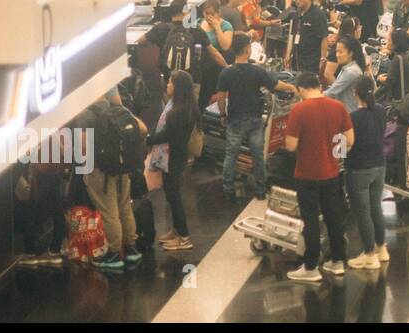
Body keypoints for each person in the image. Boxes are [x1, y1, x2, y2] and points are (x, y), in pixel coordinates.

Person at [283, 73, 353, 283]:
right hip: (331, 173)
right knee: (334, 218)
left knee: (311, 220)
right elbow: (349, 140)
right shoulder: (338, 107)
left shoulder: (299, 110)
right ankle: (338, 261)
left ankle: (311, 266)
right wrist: (334, 155)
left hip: (307, 174)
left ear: (301, 88)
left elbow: (291, 145)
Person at [217, 35, 297, 202]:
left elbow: (221, 97)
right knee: (258, 154)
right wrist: (291, 86)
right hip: (254, 119)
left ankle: (228, 189)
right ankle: (260, 189)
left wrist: (223, 115)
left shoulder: (227, 72)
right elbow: (275, 85)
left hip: (235, 119)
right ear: (247, 49)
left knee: (231, 154)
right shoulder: (258, 71)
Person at [144, 70, 199, 253]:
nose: (167, 85)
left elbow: (168, 135)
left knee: (173, 197)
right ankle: (175, 231)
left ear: (178, 87)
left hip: (172, 158)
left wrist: (149, 140)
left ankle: (184, 237)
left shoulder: (178, 111)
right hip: (177, 156)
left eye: (170, 83)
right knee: (171, 195)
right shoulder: (183, 106)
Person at [344, 76, 390, 269]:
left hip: (359, 168)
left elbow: (345, 144)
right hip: (379, 165)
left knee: (362, 212)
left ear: (355, 93)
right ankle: (382, 249)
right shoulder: (380, 111)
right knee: (376, 208)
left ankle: (369, 254)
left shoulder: (353, 117)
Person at [323, 35, 366, 113]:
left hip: (348, 114)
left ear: (350, 53)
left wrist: (312, 96)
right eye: (336, 51)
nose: (337, 55)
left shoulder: (351, 72)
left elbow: (331, 92)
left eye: (340, 52)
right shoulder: (348, 68)